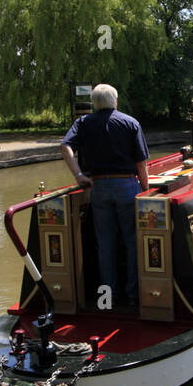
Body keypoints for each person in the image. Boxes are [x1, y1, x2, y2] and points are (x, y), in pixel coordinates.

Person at [60, 84, 149, 307]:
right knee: (131, 241)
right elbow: (141, 163)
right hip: (127, 186)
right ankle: (133, 294)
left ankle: (108, 296)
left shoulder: (82, 123)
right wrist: (146, 191)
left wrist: (78, 175)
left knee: (105, 243)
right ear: (115, 101)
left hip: (97, 187)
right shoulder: (130, 123)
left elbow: (65, 147)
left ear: (94, 103)